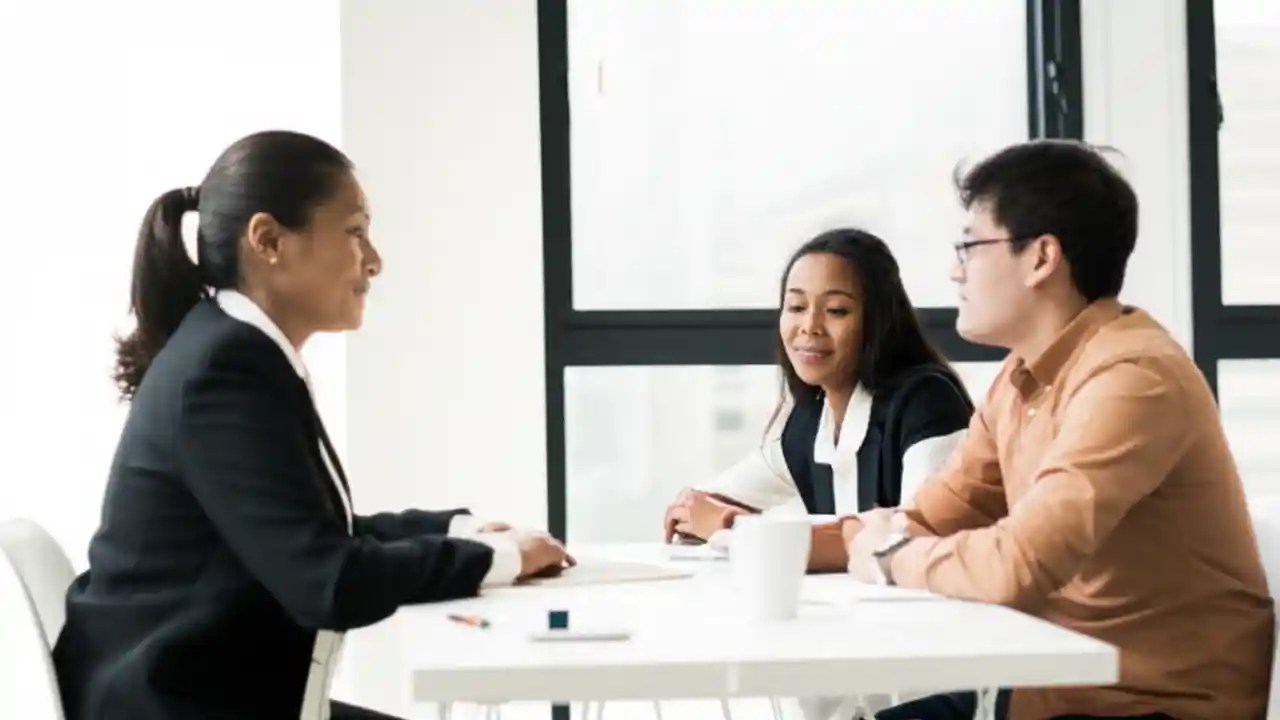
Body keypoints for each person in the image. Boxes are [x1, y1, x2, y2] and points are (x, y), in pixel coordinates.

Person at [52, 130, 572, 720]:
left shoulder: (235, 351)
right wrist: (494, 560)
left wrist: (464, 530)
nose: (374, 260)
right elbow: (327, 582)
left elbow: (315, 536)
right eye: (354, 232)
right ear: (268, 240)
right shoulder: (222, 372)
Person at [846, 140, 1274, 720]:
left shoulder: (1132, 378)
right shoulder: (1020, 378)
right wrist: (765, 544)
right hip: (1046, 693)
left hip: (1149, 707)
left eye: (969, 245)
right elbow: (928, 517)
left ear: (1042, 257)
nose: (955, 269)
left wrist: (892, 555)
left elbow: (1016, 566)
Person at [663, 229, 974, 571]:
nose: (809, 326)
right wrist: (706, 515)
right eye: (796, 306)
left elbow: (912, 538)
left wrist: (732, 528)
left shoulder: (925, 403)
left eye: (837, 310)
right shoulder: (812, 420)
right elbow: (702, 503)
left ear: (879, 321)